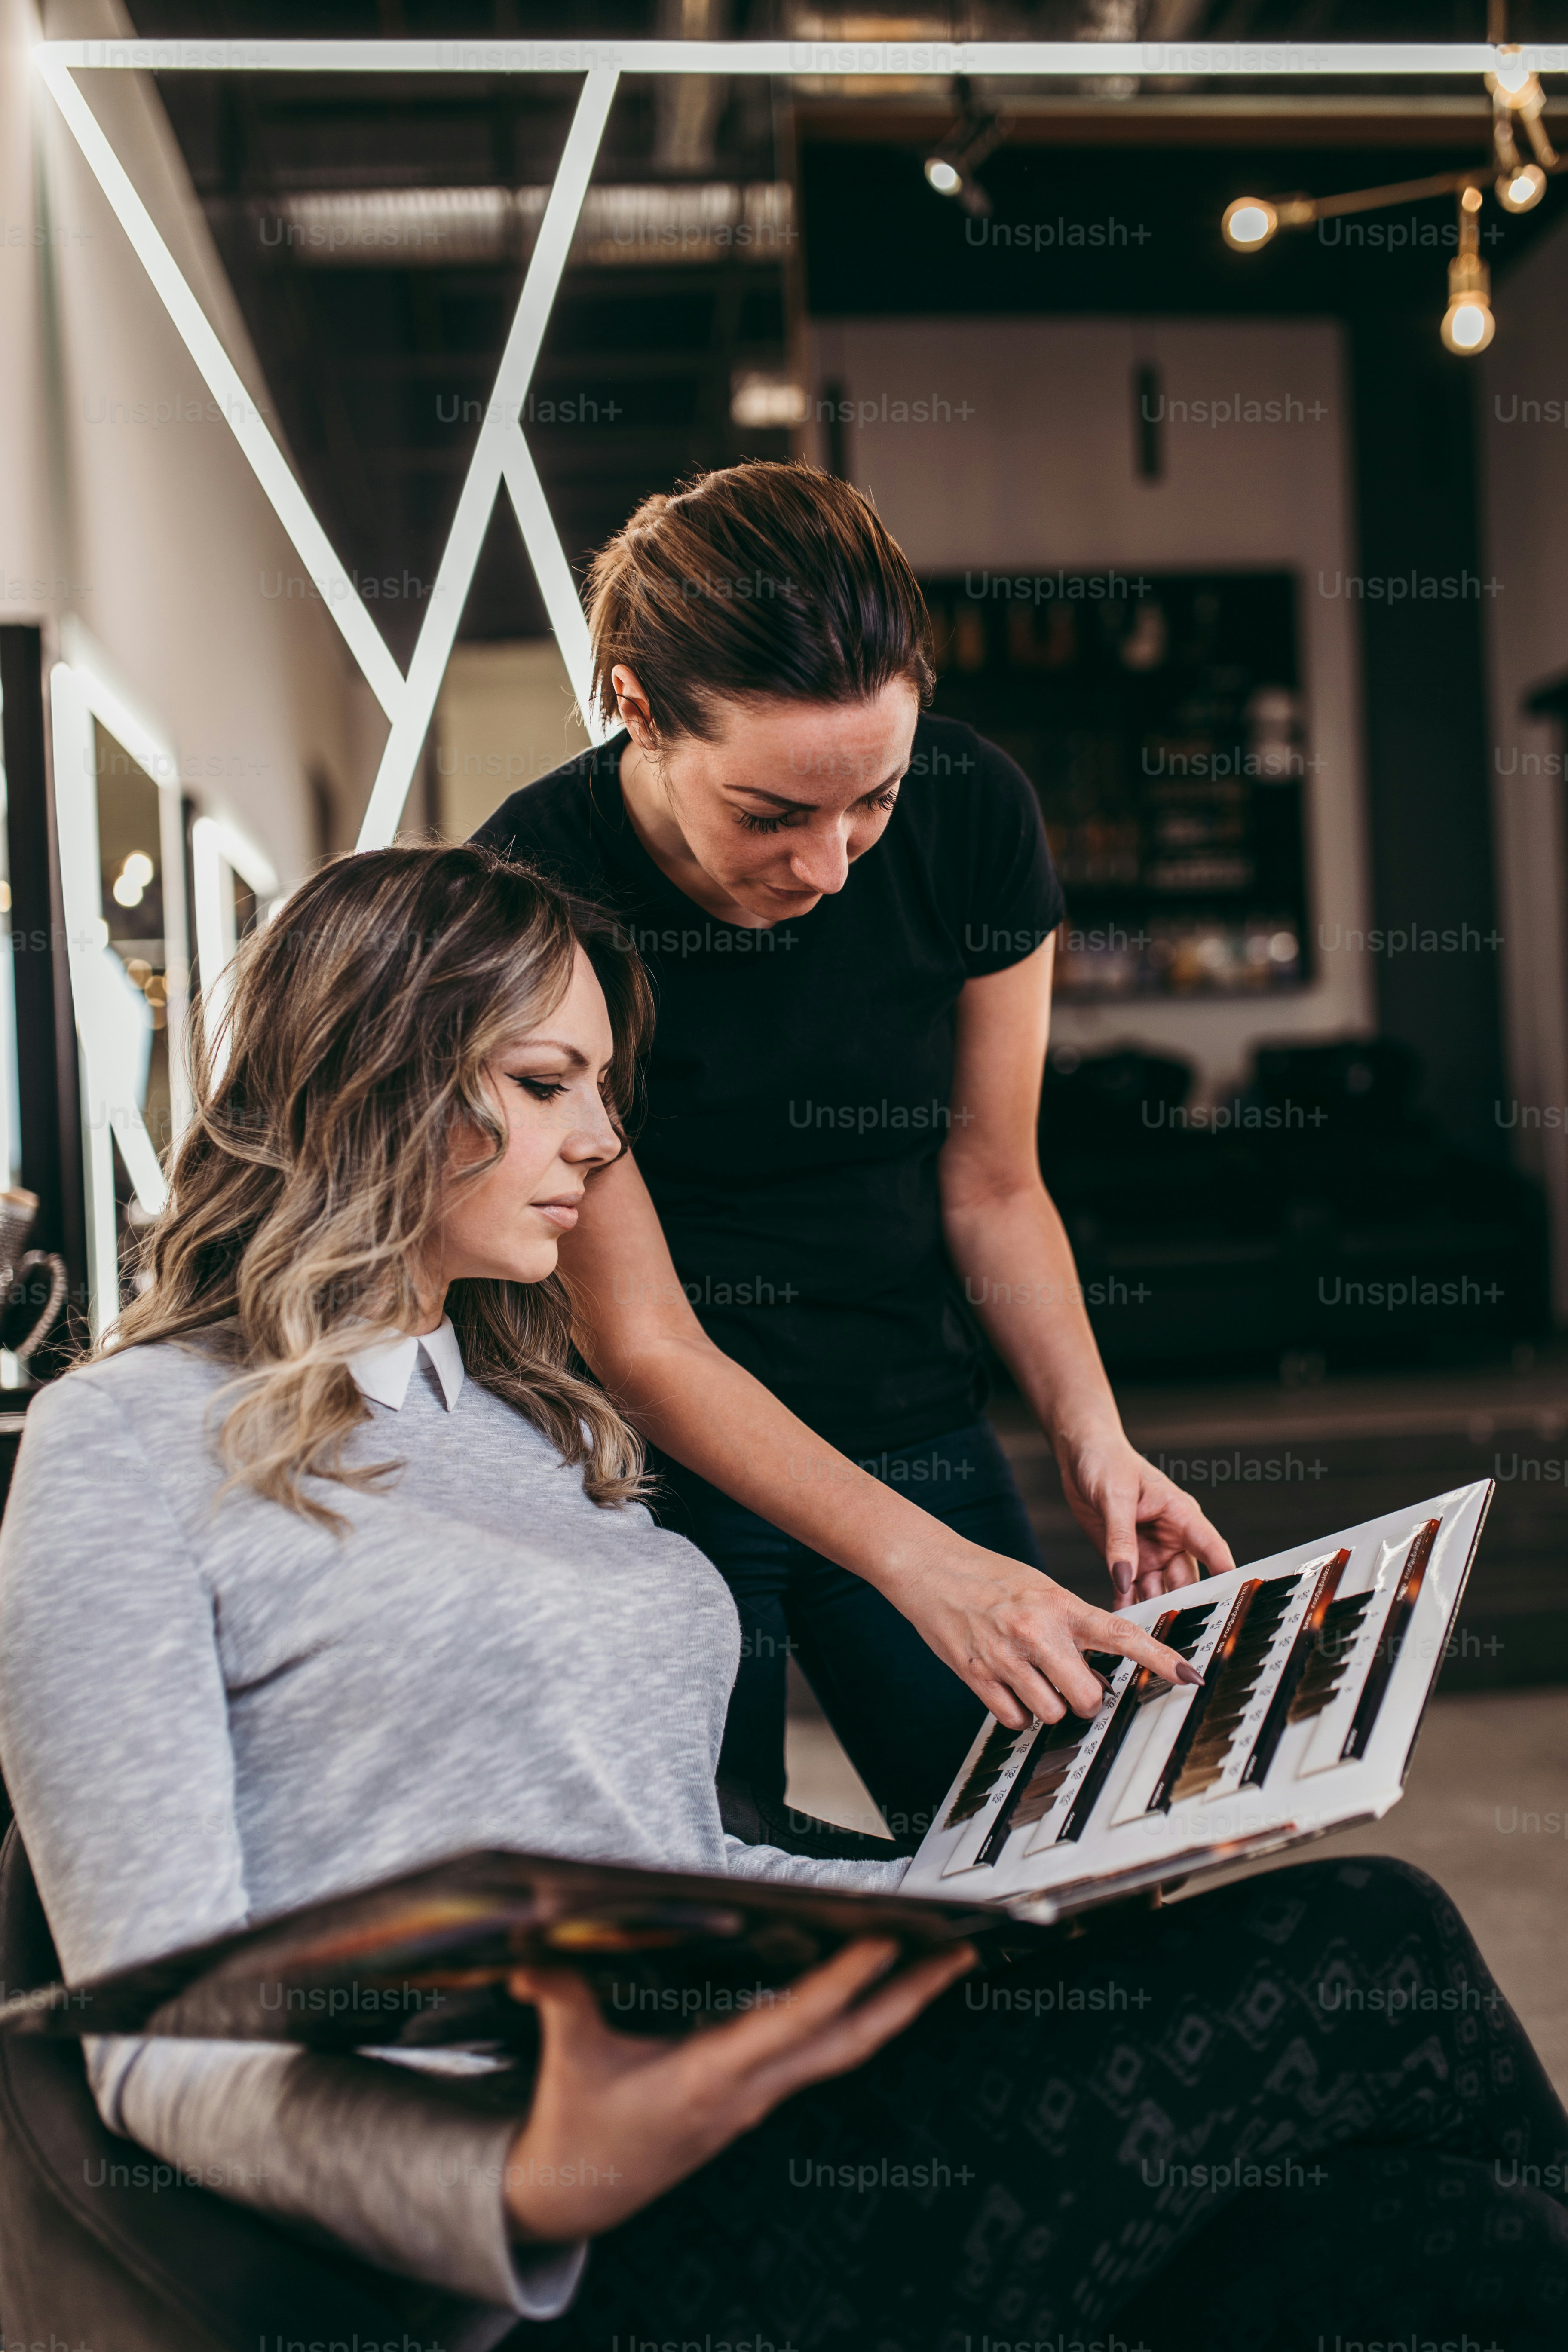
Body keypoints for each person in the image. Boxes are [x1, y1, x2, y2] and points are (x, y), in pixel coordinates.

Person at [0, 846, 1562, 2350]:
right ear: (377, 1075)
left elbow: (681, 1861)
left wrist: (1039, 1875)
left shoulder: (531, 1421)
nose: (602, 1143)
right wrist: (527, 2177)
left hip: (766, 2094)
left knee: (1442, 2240)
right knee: (1374, 1929)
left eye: (603, 1092)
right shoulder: (123, 1439)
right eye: (547, 1085)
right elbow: (150, 2048)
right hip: (564, 2240)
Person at [473, 461, 1234, 1837]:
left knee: (1055, 1847)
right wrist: (921, 1569)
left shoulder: (975, 812)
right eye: (773, 814)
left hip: (913, 1416)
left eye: (871, 799)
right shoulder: (537, 886)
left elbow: (996, 1183)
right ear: (639, 707)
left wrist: (1093, 1435)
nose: (832, 864)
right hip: (653, 1465)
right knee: (712, 1887)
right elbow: (645, 1339)